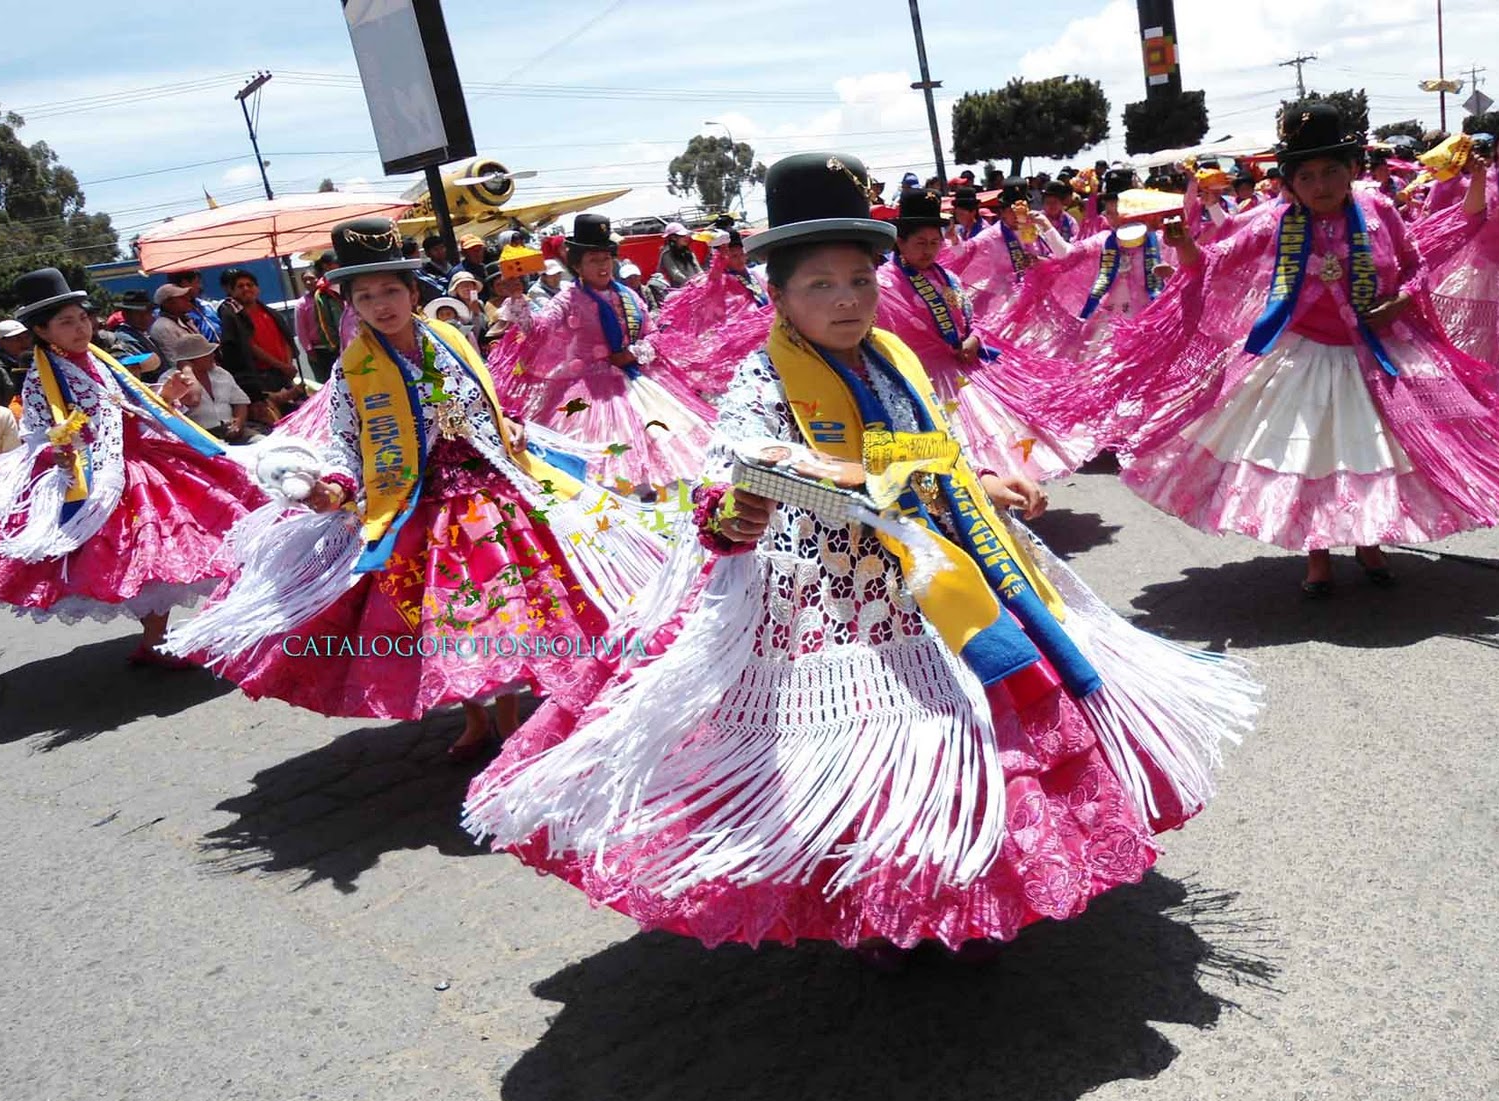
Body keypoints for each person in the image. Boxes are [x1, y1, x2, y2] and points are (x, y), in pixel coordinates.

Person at [461, 151, 1258, 963]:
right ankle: (881, 904)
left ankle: (952, 874)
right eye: (820, 285)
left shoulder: (888, 356)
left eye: (859, 281)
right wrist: (762, 495)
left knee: (959, 730)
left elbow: (920, 449)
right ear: (777, 295)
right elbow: (736, 462)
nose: (847, 300)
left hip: (931, 567)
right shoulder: (763, 374)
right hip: (827, 593)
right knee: (859, 751)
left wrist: (980, 475)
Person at [163, 217, 665, 757]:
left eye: (391, 290)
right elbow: (348, 443)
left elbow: (488, 400)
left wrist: (508, 425)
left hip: (490, 484)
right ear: (351, 304)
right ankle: (476, 718)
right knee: (446, 614)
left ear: (412, 292)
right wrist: (330, 487)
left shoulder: (450, 338)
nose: (382, 304)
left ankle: (511, 716)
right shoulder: (353, 371)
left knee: (512, 602)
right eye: (367, 295)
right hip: (415, 501)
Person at [1082, 104, 1499, 596]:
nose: (1321, 184)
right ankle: (1318, 555)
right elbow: (1217, 262)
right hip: (1303, 355)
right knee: (1312, 456)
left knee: (1373, 453)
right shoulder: (1275, 222)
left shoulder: (1381, 211)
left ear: (1352, 170)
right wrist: (1183, 246)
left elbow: (1416, 267)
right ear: (1290, 182)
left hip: (1375, 352)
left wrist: (1400, 300)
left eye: (1331, 171)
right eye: (1306, 175)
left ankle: (1369, 543)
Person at [0, 268, 264, 662]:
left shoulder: (98, 360)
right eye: (67, 322)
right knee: (143, 554)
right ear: (43, 332)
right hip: (94, 472)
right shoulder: (40, 380)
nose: (81, 327)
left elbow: (126, 408)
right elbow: (37, 436)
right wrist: (59, 448)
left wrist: (167, 395)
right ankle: (156, 640)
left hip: (138, 459)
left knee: (168, 548)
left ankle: (156, 638)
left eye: (83, 317)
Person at [489, 212, 715, 493]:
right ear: (578, 266)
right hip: (588, 389)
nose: (603, 265)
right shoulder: (568, 298)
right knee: (604, 473)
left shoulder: (629, 295)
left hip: (637, 380)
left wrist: (632, 353)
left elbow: (653, 334)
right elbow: (538, 330)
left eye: (606, 258)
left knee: (672, 452)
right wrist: (517, 297)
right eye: (594, 260)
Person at [877, 187, 1091, 479]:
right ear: (899, 242)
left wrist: (974, 338)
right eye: (920, 242)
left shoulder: (946, 277)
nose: (929, 250)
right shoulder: (884, 285)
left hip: (966, 371)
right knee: (948, 463)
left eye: (934, 242)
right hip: (922, 381)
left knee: (996, 447)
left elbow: (970, 319)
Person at [1411, 117, 1499, 385]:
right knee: (1480, 348)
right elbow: (1471, 213)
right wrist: (1478, 178)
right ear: (1495, 149)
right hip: (1488, 278)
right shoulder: (1487, 182)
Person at [994, 220, 1176, 363]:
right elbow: (1067, 253)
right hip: (1111, 319)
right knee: (1103, 365)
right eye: (1111, 213)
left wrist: (1172, 274)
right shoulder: (1104, 240)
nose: (1114, 219)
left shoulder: (1160, 241)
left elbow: (1183, 273)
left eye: (1121, 214)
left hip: (1148, 319)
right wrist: (1046, 226)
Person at [649, 228, 772, 398]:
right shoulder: (722, 280)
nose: (741, 259)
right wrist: (720, 254)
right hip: (738, 337)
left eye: (742, 254)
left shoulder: (753, 275)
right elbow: (711, 278)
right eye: (734, 256)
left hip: (761, 332)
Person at [941, 178, 1070, 322]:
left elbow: (1063, 254)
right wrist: (953, 239)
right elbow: (964, 251)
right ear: (1002, 212)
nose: (1017, 216)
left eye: (1021, 210)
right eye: (1011, 211)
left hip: (1040, 296)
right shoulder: (992, 235)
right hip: (1005, 301)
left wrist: (1046, 233)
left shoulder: (1037, 227)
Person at [217, 267, 300, 406]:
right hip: (261, 377)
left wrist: (288, 365)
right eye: (240, 286)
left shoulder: (272, 313)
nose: (246, 289)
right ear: (231, 292)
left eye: (250, 285)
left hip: (284, 374)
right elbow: (249, 346)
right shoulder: (233, 317)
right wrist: (282, 366)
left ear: (257, 288)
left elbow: (285, 339)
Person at [160, 333, 261, 444]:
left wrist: (239, 423)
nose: (213, 356)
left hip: (230, 429)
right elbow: (193, 399)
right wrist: (187, 369)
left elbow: (240, 401)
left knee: (262, 443)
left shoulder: (221, 373)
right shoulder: (171, 379)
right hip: (200, 436)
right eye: (207, 354)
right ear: (192, 360)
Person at [296, 251, 344, 383]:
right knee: (325, 383)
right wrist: (309, 350)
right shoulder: (304, 303)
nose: (309, 282)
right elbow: (301, 331)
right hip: (319, 350)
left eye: (311, 278)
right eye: (305, 280)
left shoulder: (333, 293)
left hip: (339, 345)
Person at [103, 291, 169, 383]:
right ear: (126, 315)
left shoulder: (143, 334)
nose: (146, 317)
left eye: (148, 312)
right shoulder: (124, 338)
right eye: (139, 314)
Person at [148, 283, 199, 367]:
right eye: (182, 297)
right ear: (167, 303)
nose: (188, 299)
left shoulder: (183, 320)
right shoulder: (163, 327)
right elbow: (174, 361)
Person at [164, 270, 222, 342]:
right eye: (197, 282)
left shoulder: (205, 305)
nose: (200, 286)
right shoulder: (178, 315)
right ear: (184, 283)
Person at [657, 223, 704, 288]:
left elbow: (697, 267)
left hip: (696, 285)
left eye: (686, 235)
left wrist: (703, 277)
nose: (686, 237)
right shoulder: (667, 254)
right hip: (680, 289)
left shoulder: (687, 250)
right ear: (673, 238)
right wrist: (690, 282)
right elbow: (675, 274)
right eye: (682, 236)